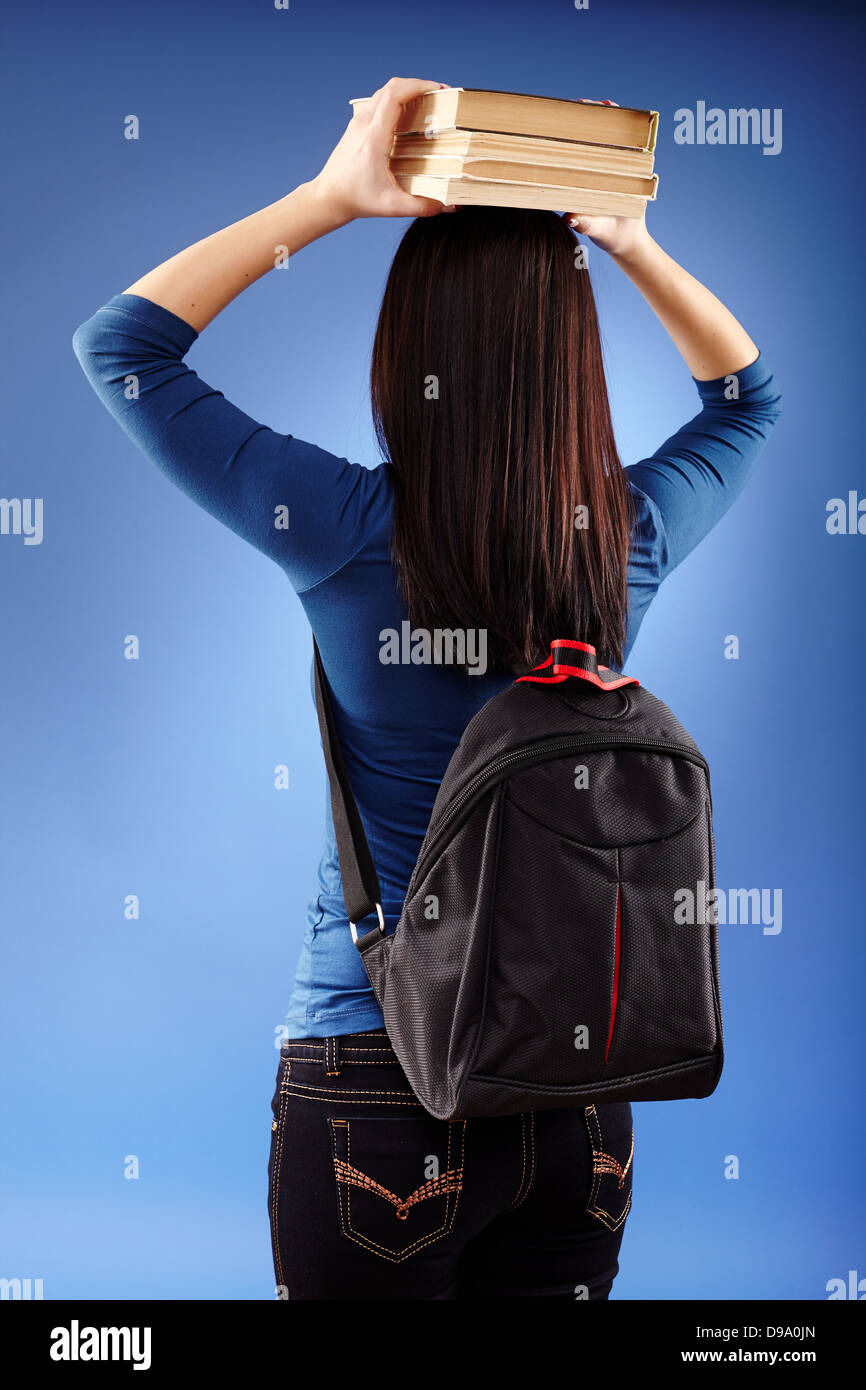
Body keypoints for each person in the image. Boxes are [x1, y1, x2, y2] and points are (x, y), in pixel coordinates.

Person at [72, 76, 782, 1300]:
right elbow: (744, 401)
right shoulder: (627, 534)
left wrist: (328, 201)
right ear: (577, 359)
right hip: (579, 1089)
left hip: (373, 1072)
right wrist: (628, 241)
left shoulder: (345, 529)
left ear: (407, 353)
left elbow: (124, 348)